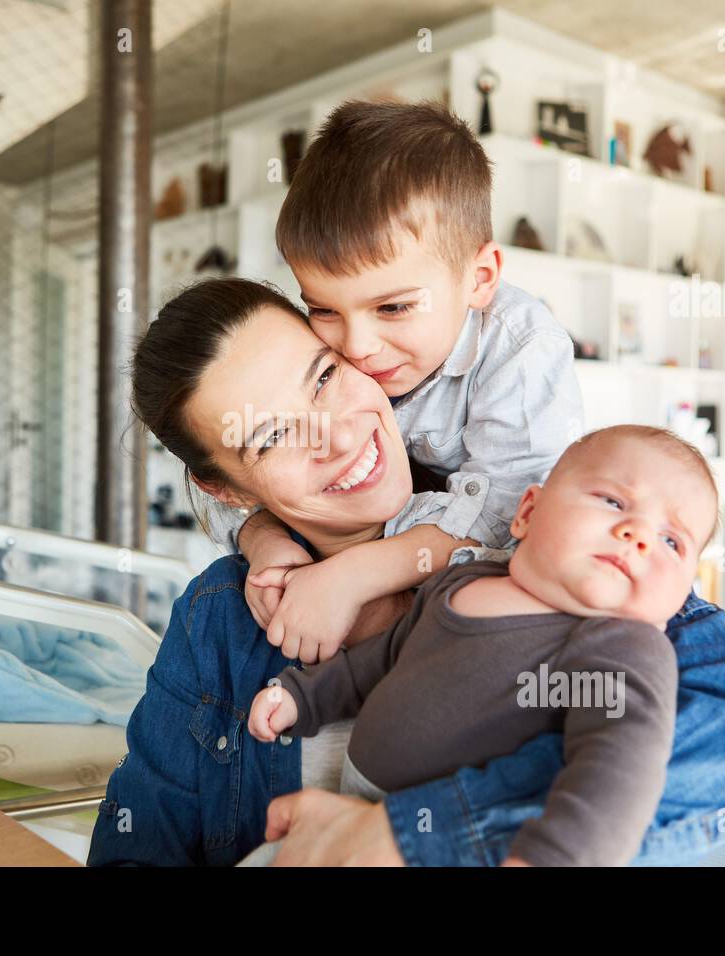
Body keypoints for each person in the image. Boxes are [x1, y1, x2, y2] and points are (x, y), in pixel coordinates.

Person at [85, 278, 725, 867]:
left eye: (326, 377)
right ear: (231, 491)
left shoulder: (571, 564)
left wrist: (408, 836)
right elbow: (135, 851)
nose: (335, 435)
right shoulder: (221, 620)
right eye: (273, 436)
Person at [244, 425, 718, 866]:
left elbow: (618, 770)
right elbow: (383, 660)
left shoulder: (622, 647)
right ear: (528, 513)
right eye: (614, 502)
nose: (637, 537)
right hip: (351, 814)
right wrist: (303, 696)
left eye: (672, 541)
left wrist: (551, 856)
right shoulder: (460, 580)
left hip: (453, 846)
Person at [224, 100, 585, 666]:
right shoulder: (328, 343)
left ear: (479, 277)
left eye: (392, 307)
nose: (357, 346)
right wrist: (263, 541)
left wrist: (351, 577)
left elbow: (507, 516)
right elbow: (234, 462)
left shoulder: (521, 346)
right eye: (321, 308)